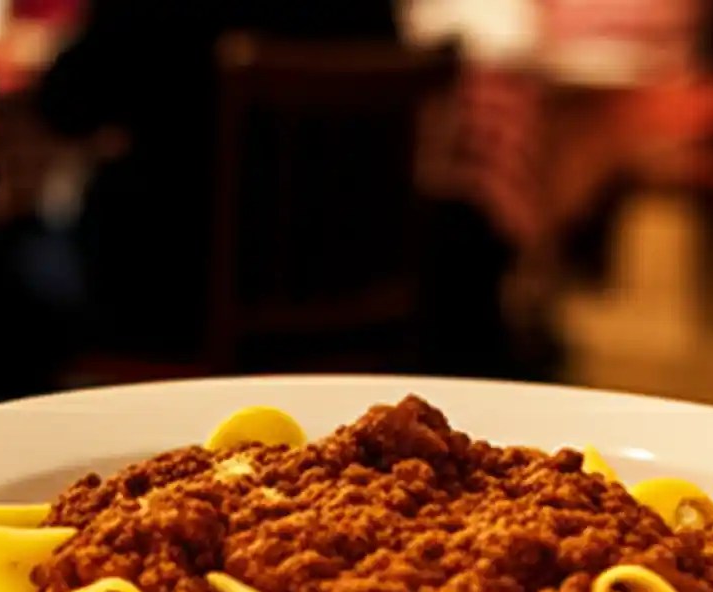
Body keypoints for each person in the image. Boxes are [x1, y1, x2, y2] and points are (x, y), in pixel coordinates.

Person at [36, 1, 550, 378]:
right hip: (361, 292)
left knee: (5, 261)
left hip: (173, 301)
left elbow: (64, 106)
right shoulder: (371, 12)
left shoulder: (145, 17)